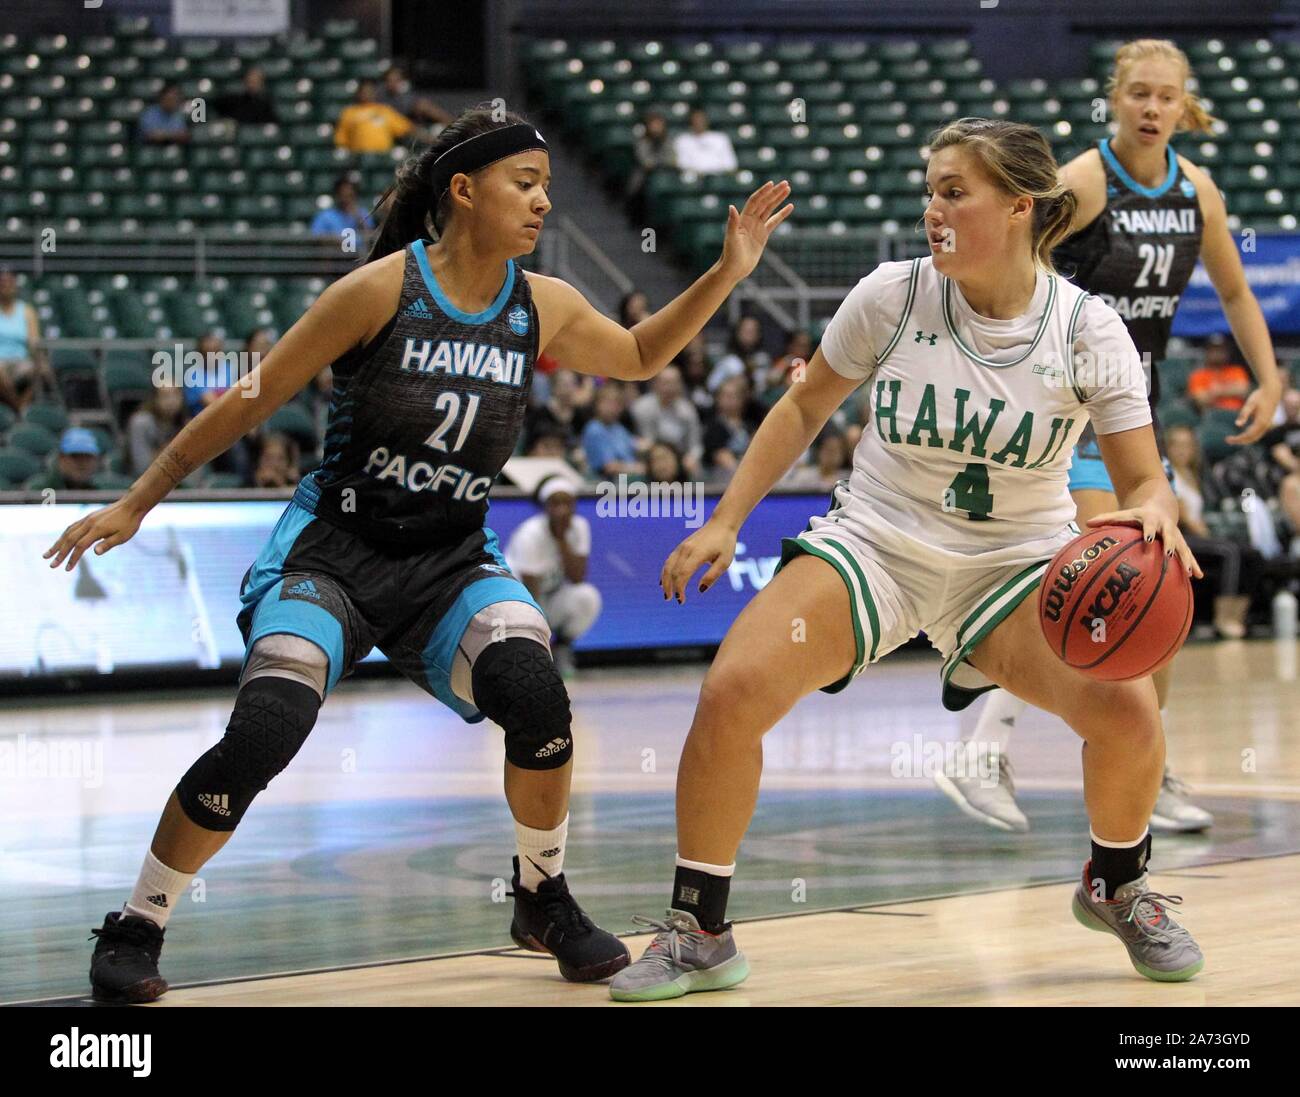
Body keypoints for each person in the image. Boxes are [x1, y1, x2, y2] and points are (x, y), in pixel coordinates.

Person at [45, 105, 791, 1002]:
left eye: (549, 187)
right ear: (463, 191)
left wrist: (724, 271)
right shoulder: (376, 292)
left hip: (449, 560)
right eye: (527, 184)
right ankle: (139, 919)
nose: (545, 203)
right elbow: (250, 399)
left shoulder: (539, 304)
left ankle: (542, 892)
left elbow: (636, 354)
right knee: (265, 732)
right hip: (333, 552)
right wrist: (137, 499)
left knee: (537, 697)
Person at [611, 118, 1205, 1002]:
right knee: (732, 688)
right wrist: (726, 518)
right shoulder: (893, 294)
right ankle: (700, 930)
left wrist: (1156, 514)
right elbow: (804, 405)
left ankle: (1117, 885)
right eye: (929, 189)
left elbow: (1144, 479)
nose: (933, 209)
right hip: (878, 541)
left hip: (1013, 561)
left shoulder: (1089, 330)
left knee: (1129, 714)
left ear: (1019, 206)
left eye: (953, 192)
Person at [940, 39, 1284, 835]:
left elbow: (1233, 289)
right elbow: (1006, 263)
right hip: (1063, 413)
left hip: (1138, 419)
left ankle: (1147, 768)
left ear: (1184, 104)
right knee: (1111, 579)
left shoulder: (1198, 191)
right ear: (1115, 100)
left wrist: (1269, 379)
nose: (1152, 108)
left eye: (1166, 96)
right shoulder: (1085, 184)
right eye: (1138, 94)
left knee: (1156, 605)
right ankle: (983, 746)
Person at [1165, 424, 1261, 637]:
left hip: (1197, 533)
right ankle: (1223, 618)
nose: (1182, 451)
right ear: (1168, 447)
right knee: (1229, 551)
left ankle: (1238, 615)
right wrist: (1212, 537)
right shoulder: (1168, 474)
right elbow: (1188, 519)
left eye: (1187, 446)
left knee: (1251, 553)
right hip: (1181, 536)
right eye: (1177, 445)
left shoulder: (1192, 475)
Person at [504, 476, 600, 677]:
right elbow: (531, 590)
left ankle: (562, 647)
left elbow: (577, 577)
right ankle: (533, 655)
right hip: (518, 603)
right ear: (545, 507)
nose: (562, 510)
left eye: (567, 503)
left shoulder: (579, 527)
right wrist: (539, 636)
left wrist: (562, 539)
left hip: (550, 596)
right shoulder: (530, 534)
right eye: (556, 504)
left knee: (587, 597)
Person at [629, 365, 703, 476]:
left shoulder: (688, 410)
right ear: (655, 384)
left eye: (675, 383)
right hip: (650, 459)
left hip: (680, 463)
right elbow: (641, 440)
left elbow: (695, 445)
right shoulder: (641, 408)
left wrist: (692, 457)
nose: (670, 388)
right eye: (666, 383)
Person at [0, 267, 50, 413]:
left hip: (20, 362)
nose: (6, 286)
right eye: (2, 283)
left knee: (41, 369)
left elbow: (34, 342)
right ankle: (19, 410)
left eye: (9, 282)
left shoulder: (27, 311)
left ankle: (19, 409)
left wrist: (39, 359)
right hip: (0, 362)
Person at [333, 79, 416, 154]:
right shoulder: (349, 112)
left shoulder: (384, 110)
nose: (367, 94)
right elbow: (341, 139)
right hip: (358, 158)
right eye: (364, 91)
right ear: (358, 94)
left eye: (370, 91)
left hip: (383, 158)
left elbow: (407, 128)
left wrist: (426, 136)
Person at [581, 383, 645, 478]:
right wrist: (636, 467)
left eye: (617, 403)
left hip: (629, 477)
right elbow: (610, 467)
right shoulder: (594, 429)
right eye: (608, 403)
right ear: (597, 405)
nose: (613, 408)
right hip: (605, 482)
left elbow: (635, 445)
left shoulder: (619, 428)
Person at [702, 374, 757, 481]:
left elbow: (755, 451)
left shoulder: (749, 426)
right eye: (726, 396)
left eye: (734, 396)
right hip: (721, 478)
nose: (729, 400)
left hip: (747, 472)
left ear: (742, 400)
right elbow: (722, 457)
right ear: (718, 399)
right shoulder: (713, 427)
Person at [127, 383, 188, 478]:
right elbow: (141, 468)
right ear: (154, 399)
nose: (171, 401)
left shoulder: (185, 423)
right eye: (165, 396)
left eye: (175, 395)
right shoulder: (141, 423)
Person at [627, 108, 676, 220]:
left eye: (659, 124)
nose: (656, 128)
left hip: (666, 177)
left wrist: (662, 164)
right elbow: (647, 163)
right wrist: (662, 163)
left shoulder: (668, 141)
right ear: (648, 126)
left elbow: (672, 160)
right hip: (644, 180)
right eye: (653, 125)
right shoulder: (642, 142)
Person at [1186, 334, 1251, 413]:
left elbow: (1243, 390)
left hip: (1236, 414)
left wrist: (1218, 391)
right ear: (1207, 351)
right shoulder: (1198, 374)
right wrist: (1231, 389)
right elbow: (1201, 400)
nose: (1217, 353)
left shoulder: (1236, 370)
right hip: (1211, 415)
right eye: (1214, 349)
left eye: (1221, 350)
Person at [707, 314, 770, 393]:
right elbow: (712, 385)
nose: (749, 335)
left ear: (759, 335)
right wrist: (732, 382)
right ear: (737, 333)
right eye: (746, 331)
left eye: (753, 331)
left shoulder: (763, 359)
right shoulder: (728, 360)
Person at [27, 428, 101, 491]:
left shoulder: (100, 492)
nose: (82, 463)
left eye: (87, 457)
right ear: (61, 459)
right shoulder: (40, 489)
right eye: (75, 456)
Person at [673, 106, 737, 175]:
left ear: (707, 120)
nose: (698, 122)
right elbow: (682, 164)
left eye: (701, 119)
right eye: (695, 119)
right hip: (692, 179)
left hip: (718, 178)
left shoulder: (721, 138)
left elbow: (730, 165)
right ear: (690, 121)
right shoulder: (682, 140)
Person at [780, 428, 851, 491]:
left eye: (835, 451)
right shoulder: (804, 477)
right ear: (819, 452)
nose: (831, 456)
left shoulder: (847, 479)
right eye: (828, 450)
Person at [311, 175, 376, 238]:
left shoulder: (364, 214)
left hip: (359, 249)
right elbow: (316, 237)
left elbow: (370, 239)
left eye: (350, 195)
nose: (346, 199)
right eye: (343, 195)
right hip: (334, 248)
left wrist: (359, 220)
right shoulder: (325, 216)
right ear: (337, 195)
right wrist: (334, 241)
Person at [214, 66, 278, 126]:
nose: (252, 85)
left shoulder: (267, 104)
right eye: (250, 81)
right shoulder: (235, 100)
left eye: (256, 82)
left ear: (262, 83)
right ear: (245, 82)